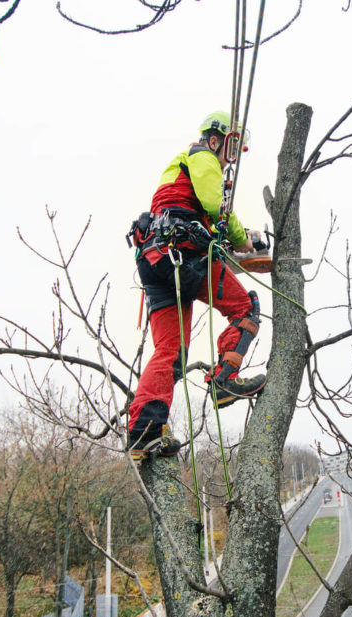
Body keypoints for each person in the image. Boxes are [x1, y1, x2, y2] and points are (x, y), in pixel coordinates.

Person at [126, 111, 267, 460]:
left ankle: (144, 433)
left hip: (156, 260)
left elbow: (203, 216)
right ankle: (224, 381)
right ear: (216, 139)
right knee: (246, 307)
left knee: (170, 353)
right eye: (231, 149)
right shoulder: (202, 156)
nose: (230, 159)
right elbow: (214, 205)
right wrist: (243, 239)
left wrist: (239, 238)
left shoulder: (179, 171)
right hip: (184, 256)